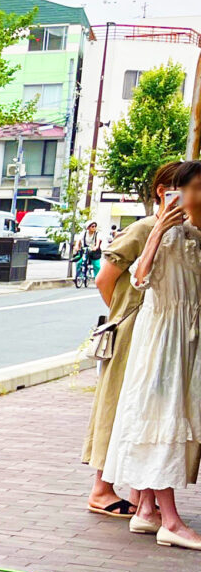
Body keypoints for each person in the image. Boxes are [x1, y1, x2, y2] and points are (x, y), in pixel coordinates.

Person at [104, 160, 201, 549]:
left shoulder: (194, 231)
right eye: (192, 188)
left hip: (184, 335)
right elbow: (140, 279)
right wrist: (160, 228)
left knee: (158, 416)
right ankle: (172, 522)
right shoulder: (158, 230)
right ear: (168, 192)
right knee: (161, 419)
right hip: (161, 335)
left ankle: (146, 510)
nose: (196, 196)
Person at [85, 162, 189, 518]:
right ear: (163, 192)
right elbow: (105, 279)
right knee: (116, 405)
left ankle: (141, 494)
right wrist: (123, 314)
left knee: (146, 410)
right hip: (134, 329)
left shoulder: (185, 231)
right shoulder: (145, 228)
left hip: (159, 331)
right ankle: (101, 489)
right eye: (181, 188)